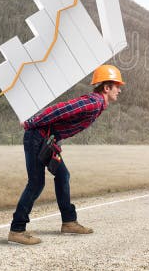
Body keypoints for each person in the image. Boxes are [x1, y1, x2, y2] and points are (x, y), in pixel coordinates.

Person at [7, 64, 124, 245]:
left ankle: (69, 222)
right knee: (36, 183)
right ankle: (17, 230)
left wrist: (55, 141)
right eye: (117, 86)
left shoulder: (98, 105)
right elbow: (60, 110)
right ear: (107, 88)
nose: (119, 90)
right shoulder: (93, 102)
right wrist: (31, 123)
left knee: (63, 175)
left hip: (47, 140)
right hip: (36, 136)